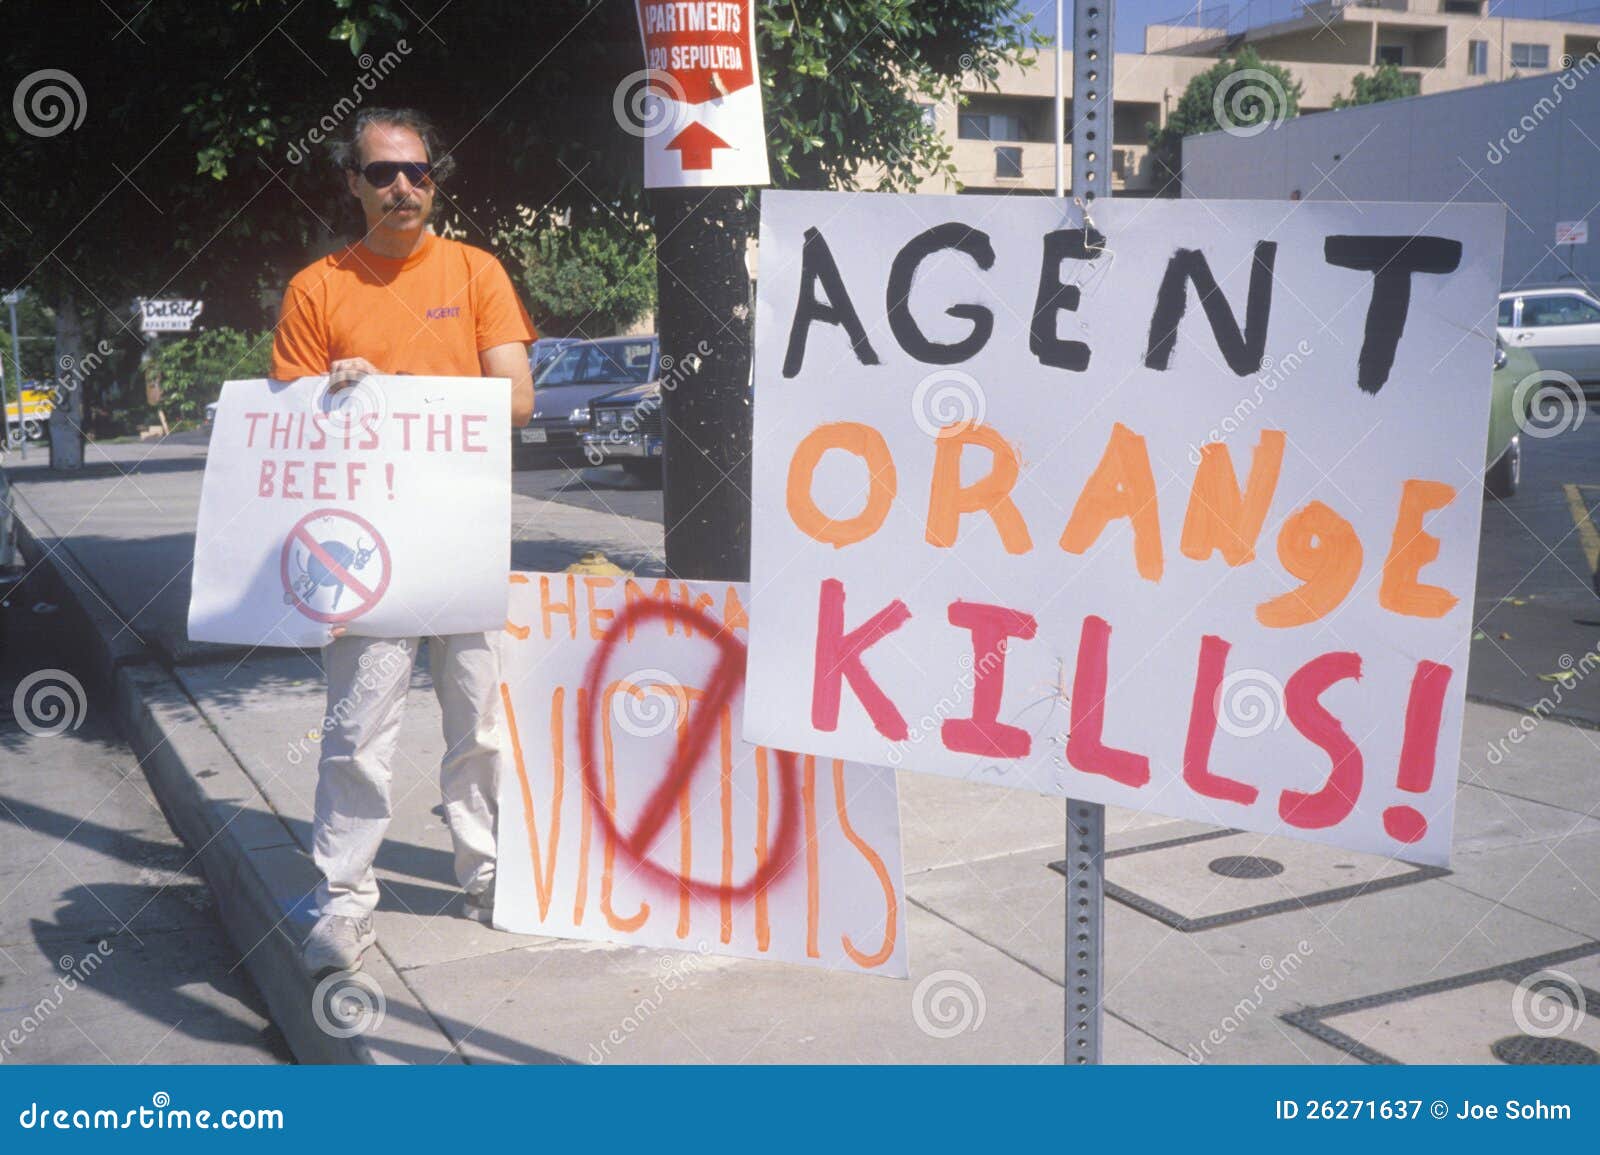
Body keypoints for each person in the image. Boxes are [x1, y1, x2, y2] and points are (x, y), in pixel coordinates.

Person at [271, 107, 536, 977]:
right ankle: (343, 903)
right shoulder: (318, 288)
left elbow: (519, 399)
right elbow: (291, 425)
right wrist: (336, 397)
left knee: (482, 722)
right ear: (352, 183)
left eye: (418, 171)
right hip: (364, 545)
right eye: (383, 173)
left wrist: (401, 391)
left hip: (461, 532)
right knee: (357, 731)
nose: (403, 187)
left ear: (435, 180)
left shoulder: (477, 270)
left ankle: (489, 872)